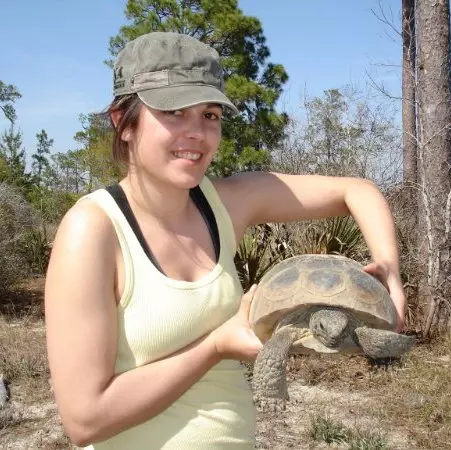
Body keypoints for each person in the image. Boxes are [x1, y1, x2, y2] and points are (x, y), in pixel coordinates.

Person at [45, 32, 406, 449]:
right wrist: (215, 347)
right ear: (122, 123)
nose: (197, 133)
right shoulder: (93, 230)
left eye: (210, 115)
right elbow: (85, 420)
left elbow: (357, 191)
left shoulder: (224, 204)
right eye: (175, 112)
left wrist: (389, 272)